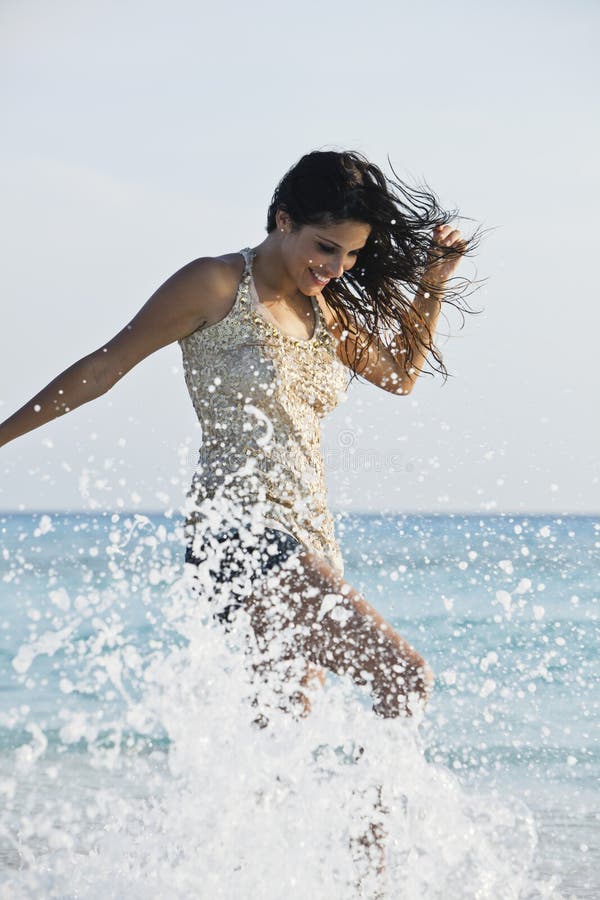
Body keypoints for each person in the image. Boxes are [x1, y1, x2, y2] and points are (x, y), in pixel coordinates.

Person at [0, 150, 479, 724]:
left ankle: (254, 818)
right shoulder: (216, 283)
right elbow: (105, 366)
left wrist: (434, 282)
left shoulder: (324, 309)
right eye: (326, 246)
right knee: (402, 676)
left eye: (351, 254)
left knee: (282, 733)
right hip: (238, 530)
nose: (336, 266)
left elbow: (401, 375)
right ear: (283, 220)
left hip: (308, 539)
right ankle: (379, 820)